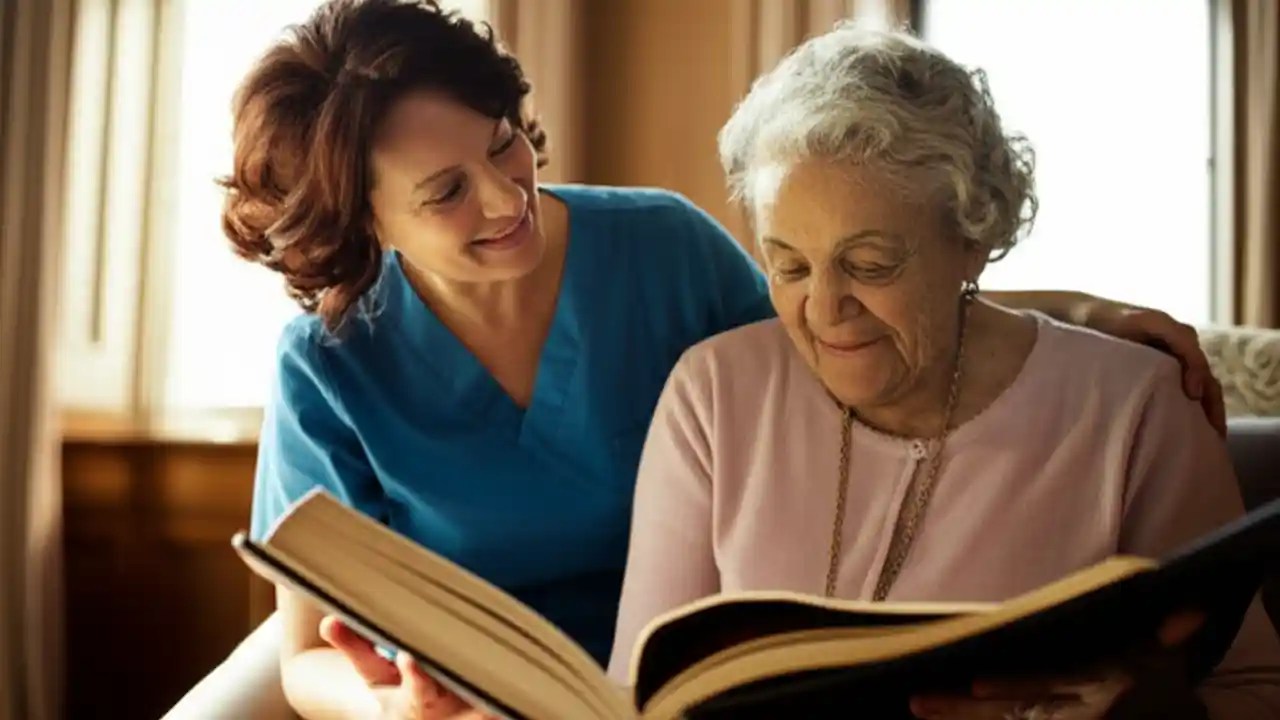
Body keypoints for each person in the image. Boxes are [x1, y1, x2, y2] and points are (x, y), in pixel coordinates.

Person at [223, 2, 1228, 718]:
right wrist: (390, 710)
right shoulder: (327, 365)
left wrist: (1078, 313)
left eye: (499, 144)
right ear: (362, 221)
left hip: (680, 680)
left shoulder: (656, 247)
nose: (503, 195)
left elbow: (840, 315)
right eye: (443, 192)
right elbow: (306, 648)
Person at [605, 22, 1280, 720]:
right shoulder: (711, 398)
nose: (825, 308)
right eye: (789, 265)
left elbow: (1256, 694)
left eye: (871, 265)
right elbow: (641, 697)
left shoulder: (1135, 411)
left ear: (973, 240)